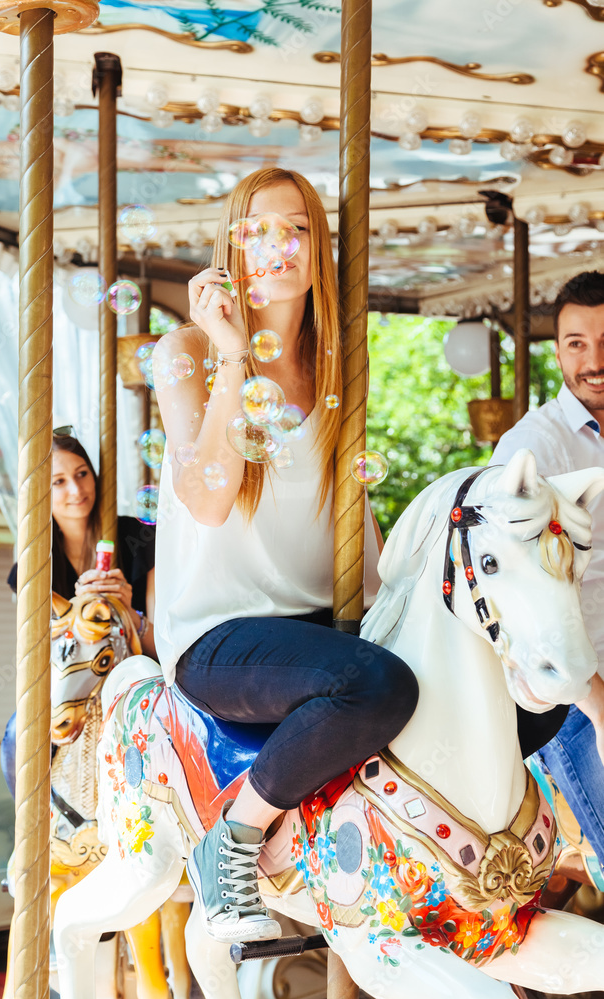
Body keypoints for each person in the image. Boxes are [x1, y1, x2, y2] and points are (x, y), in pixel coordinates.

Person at [152, 167, 419, 943]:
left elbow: (350, 514)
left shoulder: (339, 362)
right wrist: (234, 357)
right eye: (258, 228)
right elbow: (206, 499)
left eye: (297, 227)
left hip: (320, 623)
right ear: (233, 248)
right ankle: (231, 839)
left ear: (317, 247)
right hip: (222, 634)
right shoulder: (188, 353)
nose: (278, 245)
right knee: (372, 684)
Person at [492, 270, 604, 873]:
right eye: (577, 343)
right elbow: (516, 600)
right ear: (557, 350)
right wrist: (596, 701)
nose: (593, 359)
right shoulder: (531, 450)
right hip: (574, 687)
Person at [8, 430, 156, 658]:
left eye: (82, 474)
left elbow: (165, 650)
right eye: (59, 481)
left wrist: (127, 612)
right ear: (40, 493)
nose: (76, 490)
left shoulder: (140, 537)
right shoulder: (33, 567)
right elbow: (42, 659)